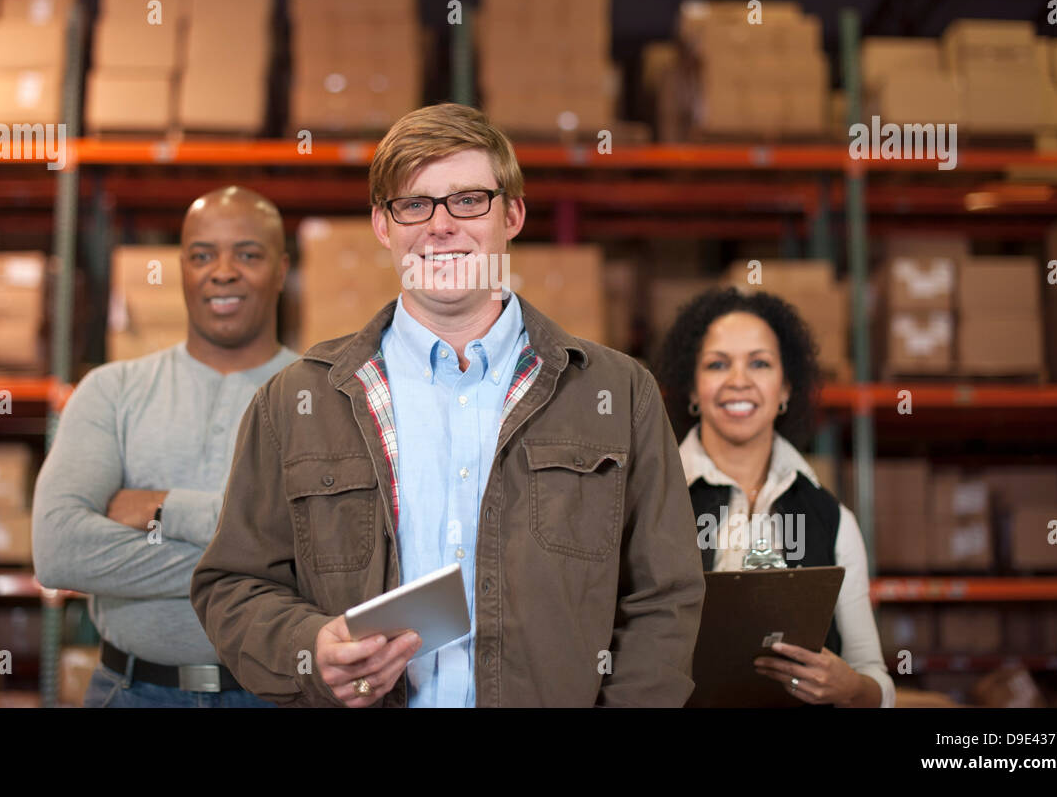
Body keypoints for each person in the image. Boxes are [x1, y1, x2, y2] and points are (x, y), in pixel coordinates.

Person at [191, 103, 704, 707]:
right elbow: (233, 586)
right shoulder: (298, 401)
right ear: (384, 226)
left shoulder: (615, 394)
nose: (441, 226)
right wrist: (310, 647)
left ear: (511, 214)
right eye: (414, 204)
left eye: (468, 199)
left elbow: (664, 601)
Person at [32, 186, 299, 707]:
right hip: (132, 692)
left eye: (248, 254)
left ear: (282, 269)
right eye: (203, 255)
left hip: (276, 695)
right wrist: (260, 563)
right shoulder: (111, 391)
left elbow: (333, 557)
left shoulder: (325, 395)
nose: (223, 272)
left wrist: (167, 509)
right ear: (181, 268)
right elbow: (59, 549)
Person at [655, 286, 894, 708]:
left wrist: (852, 687)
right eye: (717, 364)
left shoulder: (832, 520)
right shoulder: (647, 505)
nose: (739, 381)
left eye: (760, 363)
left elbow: (873, 676)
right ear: (692, 390)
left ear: (786, 389)